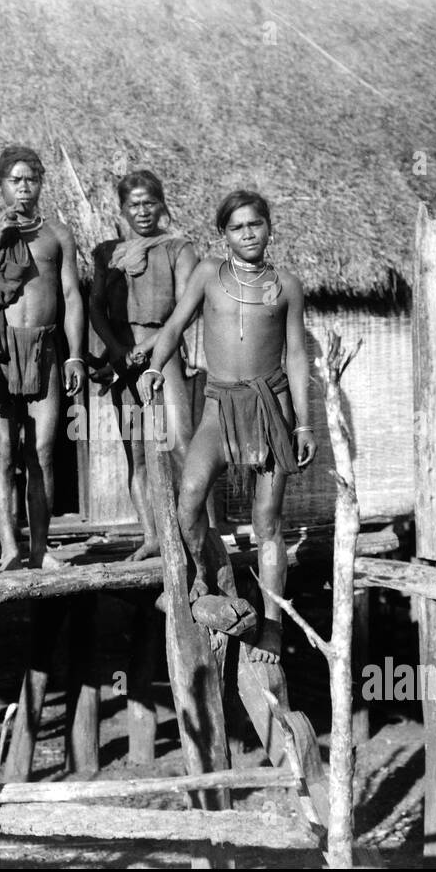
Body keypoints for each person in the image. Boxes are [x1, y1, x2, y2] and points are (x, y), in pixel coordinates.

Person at [137, 190, 316, 655]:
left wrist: (303, 424)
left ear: (269, 227)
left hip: (270, 406)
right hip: (218, 406)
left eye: (255, 224)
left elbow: (296, 354)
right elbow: (174, 326)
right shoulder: (208, 276)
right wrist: (155, 368)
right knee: (189, 499)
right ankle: (205, 572)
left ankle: (273, 624)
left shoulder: (287, 285)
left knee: (267, 522)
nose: (248, 233)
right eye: (237, 227)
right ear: (224, 234)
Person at [0, 145, 87, 569]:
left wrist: (75, 356)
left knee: (41, 452)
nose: (23, 187)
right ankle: (10, 549)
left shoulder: (57, 233)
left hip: (46, 349)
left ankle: (39, 549)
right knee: (2, 450)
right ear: (0, 184)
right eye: (14, 180)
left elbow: (72, 295)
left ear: (41, 183)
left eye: (31, 179)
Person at [89, 170, 198, 561]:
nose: (142, 211)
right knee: (135, 451)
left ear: (162, 204)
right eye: (133, 204)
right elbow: (95, 308)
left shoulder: (178, 249)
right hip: (123, 359)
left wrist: (149, 346)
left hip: (163, 354)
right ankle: (152, 535)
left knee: (181, 445)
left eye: (149, 202)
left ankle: (196, 534)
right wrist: (119, 352)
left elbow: (185, 309)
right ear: (121, 209)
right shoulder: (107, 253)